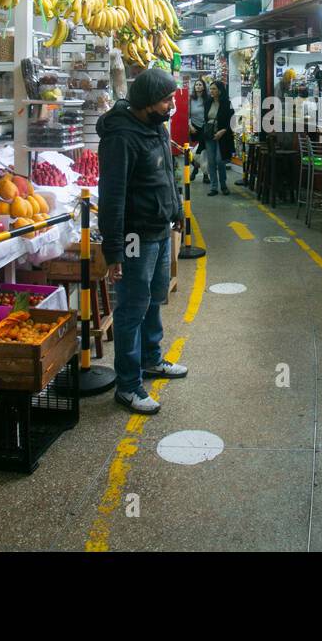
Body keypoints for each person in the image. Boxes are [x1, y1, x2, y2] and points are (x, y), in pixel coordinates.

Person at [98, 68, 189, 414]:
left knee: (153, 299)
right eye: (167, 100)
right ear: (148, 102)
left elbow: (165, 172)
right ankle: (128, 386)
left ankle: (151, 359)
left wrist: (177, 208)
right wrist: (114, 250)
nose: (172, 105)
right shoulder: (121, 137)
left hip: (160, 229)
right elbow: (112, 196)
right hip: (136, 235)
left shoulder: (156, 128)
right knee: (132, 307)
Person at [204, 79, 234, 196]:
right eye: (210, 89)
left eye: (214, 89)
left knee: (219, 160)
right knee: (211, 162)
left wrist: (223, 130)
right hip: (209, 135)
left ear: (220, 91)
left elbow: (232, 120)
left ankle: (223, 185)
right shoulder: (208, 102)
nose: (211, 91)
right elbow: (205, 119)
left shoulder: (227, 103)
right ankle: (214, 187)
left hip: (222, 135)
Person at [189, 77, 209, 183]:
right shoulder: (190, 99)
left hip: (205, 127)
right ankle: (197, 168)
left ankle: (202, 173)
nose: (198, 86)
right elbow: (187, 114)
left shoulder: (207, 99)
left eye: (200, 84)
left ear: (204, 87)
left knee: (202, 150)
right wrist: (190, 126)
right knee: (193, 151)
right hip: (193, 128)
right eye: (196, 84)